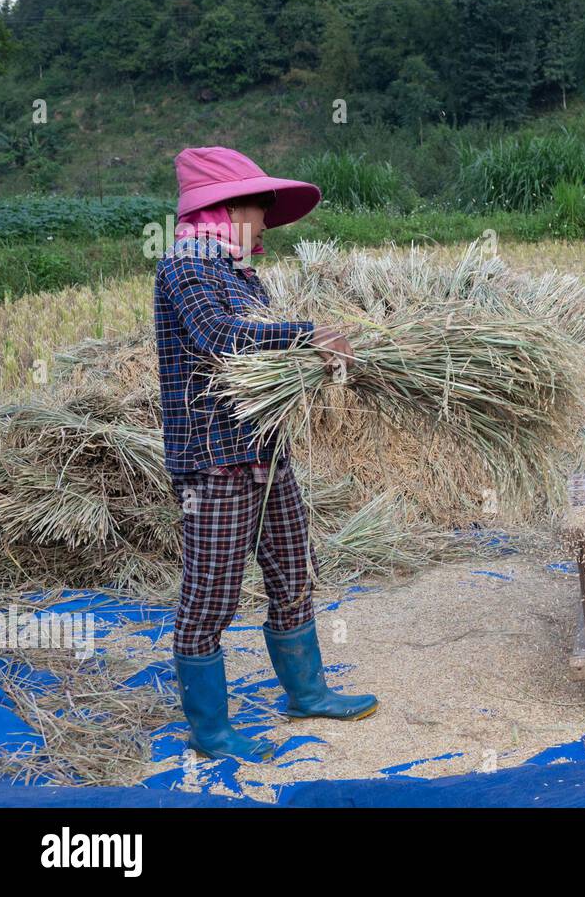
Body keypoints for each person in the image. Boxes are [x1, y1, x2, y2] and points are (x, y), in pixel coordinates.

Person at [156, 146, 378, 762]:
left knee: (291, 568)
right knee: (212, 591)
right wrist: (307, 334)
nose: (265, 220)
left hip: (264, 450)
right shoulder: (186, 265)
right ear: (225, 207)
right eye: (258, 206)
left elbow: (264, 353)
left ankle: (306, 693)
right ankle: (211, 732)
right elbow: (219, 339)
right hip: (214, 459)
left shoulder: (238, 269)